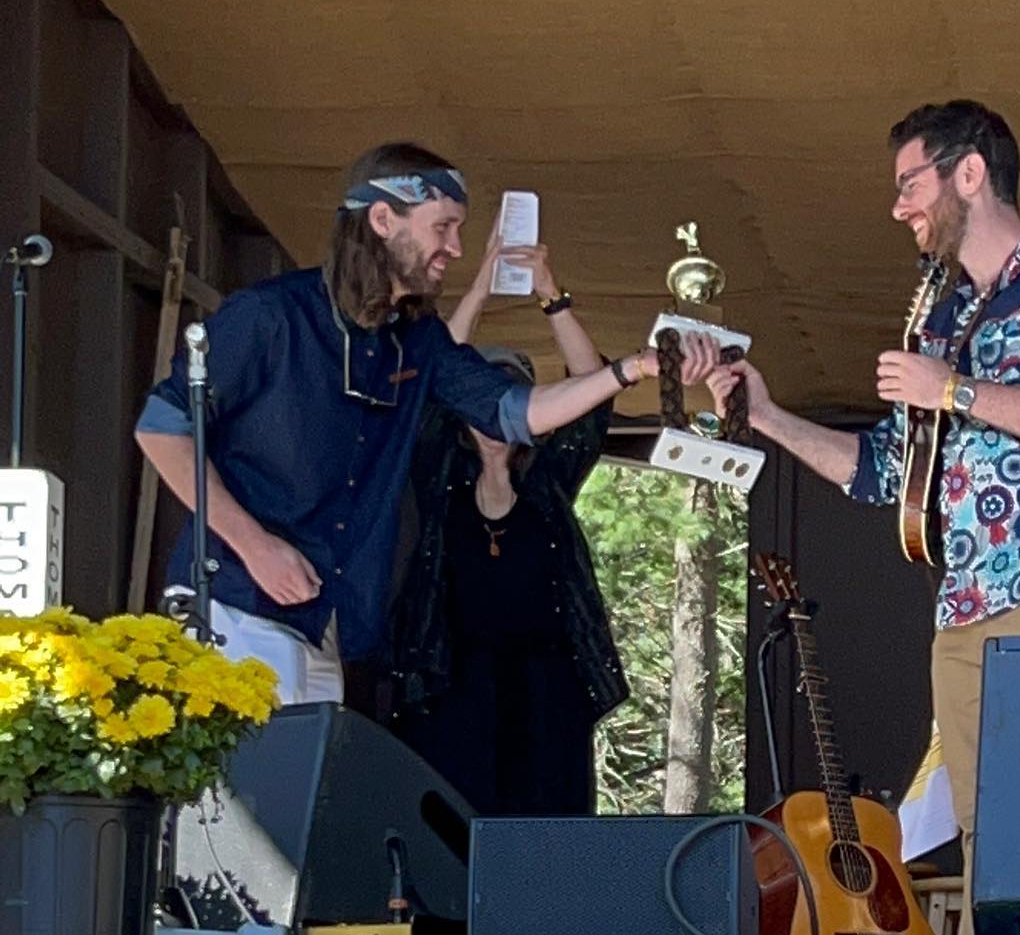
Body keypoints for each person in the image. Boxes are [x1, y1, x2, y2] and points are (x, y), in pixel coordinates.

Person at [707, 99, 1020, 935]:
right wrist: (765, 415)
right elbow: (885, 471)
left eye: (910, 184)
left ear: (970, 173)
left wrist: (950, 388)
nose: (900, 207)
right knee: (990, 825)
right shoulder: (948, 317)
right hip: (965, 601)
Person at [135, 142, 715, 704]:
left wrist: (633, 367)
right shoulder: (268, 315)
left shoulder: (419, 339)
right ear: (383, 219)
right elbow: (161, 430)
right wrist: (254, 544)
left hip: (329, 626)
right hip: (235, 605)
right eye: (443, 228)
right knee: (231, 803)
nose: (456, 249)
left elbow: (517, 412)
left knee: (304, 801)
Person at [388, 232, 624, 813]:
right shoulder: (439, 472)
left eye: (510, 396)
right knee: (454, 830)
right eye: (480, 397)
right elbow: (426, 372)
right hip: (452, 682)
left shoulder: (547, 481)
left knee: (548, 833)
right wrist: (480, 288)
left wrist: (551, 296)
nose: (494, 411)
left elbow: (591, 398)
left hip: (548, 688)